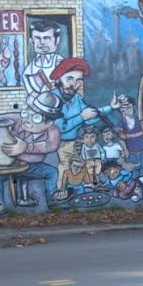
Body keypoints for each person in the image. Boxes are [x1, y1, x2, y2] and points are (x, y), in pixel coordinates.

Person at [0, 92, 64, 206]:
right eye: (26, 113)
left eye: (36, 118)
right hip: (12, 163)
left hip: (33, 167)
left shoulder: (53, 131)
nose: (27, 120)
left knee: (52, 172)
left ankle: (52, 199)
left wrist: (27, 146)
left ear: (48, 123)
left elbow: (51, 145)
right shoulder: (18, 118)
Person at [49, 58, 116, 191]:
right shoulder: (51, 99)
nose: (74, 84)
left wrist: (110, 108)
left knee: (83, 166)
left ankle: (83, 189)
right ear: (58, 80)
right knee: (65, 167)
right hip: (61, 144)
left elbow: (90, 117)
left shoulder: (76, 98)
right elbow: (60, 128)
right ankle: (59, 193)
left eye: (78, 80)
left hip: (78, 142)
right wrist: (81, 117)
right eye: (69, 79)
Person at [24, 20, 66, 94]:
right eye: (37, 38)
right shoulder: (30, 67)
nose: (42, 43)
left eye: (47, 38)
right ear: (31, 41)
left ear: (57, 40)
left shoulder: (60, 63)